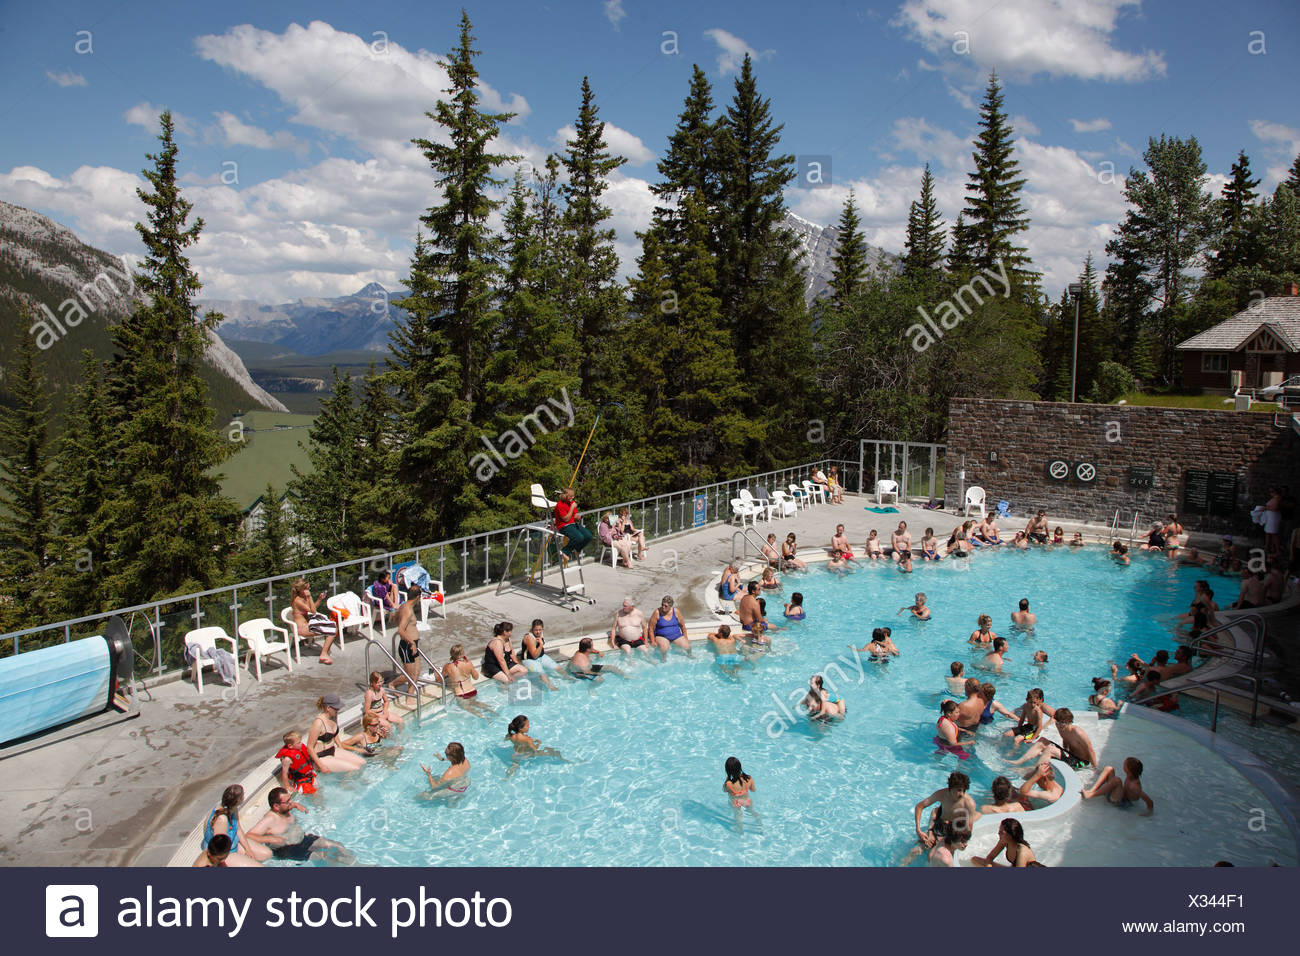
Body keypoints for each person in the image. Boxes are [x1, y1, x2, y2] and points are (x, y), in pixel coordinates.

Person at [245, 787, 354, 864]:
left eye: (290, 799)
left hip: (303, 839)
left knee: (337, 845)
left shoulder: (284, 808)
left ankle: (355, 861)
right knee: (323, 858)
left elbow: (290, 805)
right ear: (276, 806)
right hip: (289, 850)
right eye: (287, 802)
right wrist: (270, 838)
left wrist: (297, 805)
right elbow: (249, 836)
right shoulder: (269, 820)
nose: (290, 803)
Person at [201, 783, 268, 863]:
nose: (244, 796)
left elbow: (238, 829)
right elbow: (218, 849)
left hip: (231, 846)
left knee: (265, 855)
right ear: (238, 800)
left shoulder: (233, 809)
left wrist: (248, 849)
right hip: (221, 854)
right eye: (243, 795)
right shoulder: (222, 820)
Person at [913, 771, 980, 849]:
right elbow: (919, 806)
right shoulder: (942, 794)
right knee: (919, 848)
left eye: (964, 790)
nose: (962, 794)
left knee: (937, 852)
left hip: (956, 831)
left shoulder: (969, 803)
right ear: (950, 788)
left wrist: (961, 842)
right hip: (941, 825)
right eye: (959, 790)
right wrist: (918, 829)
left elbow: (969, 828)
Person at [1014, 708, 1097, 771]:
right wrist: (1062, 753)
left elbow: (1090, 750)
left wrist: (1095, 769)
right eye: (1058, 722)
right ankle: (1019, 762)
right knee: (1042, 740)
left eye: (1063, 723)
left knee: (1050, 749)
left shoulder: (1078, 732)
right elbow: (1065, 742)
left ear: (1069, 721)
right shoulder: (1061, 727)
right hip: (1071, 756)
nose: (1060, 725)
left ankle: (1034, 770)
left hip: (1080, 762)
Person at [307, 694, 366, 772]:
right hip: (321, 756)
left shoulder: (333, 717)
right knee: (355, 768)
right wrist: (321, 766)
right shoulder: (318, 723)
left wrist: (341, 748)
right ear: (328, 708)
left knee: (362, 762)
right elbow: (309, 747)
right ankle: (344, 784)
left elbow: (335, 736)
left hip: (332, 750)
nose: (338, 710)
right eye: (336, 708)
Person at [389, 585, 427, 700]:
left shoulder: (404, 606)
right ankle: (392, 684)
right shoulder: (408, 610)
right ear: (418, 597)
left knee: (417, 671)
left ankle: (410, 694)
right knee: (410, 675)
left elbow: (395, 617)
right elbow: (400, 630)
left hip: (413, 644)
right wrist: (412, 643)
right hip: (407, 646)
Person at [290, 577, 338, 665]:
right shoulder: (297, 601)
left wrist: (319, 599)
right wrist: (309, 596)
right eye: (307, 589)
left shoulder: (303, 597)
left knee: (333, 626)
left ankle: (325, 652)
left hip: (308, 624)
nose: (309, 590)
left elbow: (312, 608)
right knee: (332, 629)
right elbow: (313, 611)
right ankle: (324, 653)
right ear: (301, 590)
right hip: (301, 629)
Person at [1083, 756, 1154, 814]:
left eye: (1124, 764)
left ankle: (1091, 795)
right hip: (1120, 795)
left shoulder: (1134, 786)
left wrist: (1148, 814)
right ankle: (1092, 790)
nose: (1123, 764)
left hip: (1122, 803)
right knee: (1109, 769)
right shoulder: (1131, 776)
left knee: (1117, 780)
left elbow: (1149, 801)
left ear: (1128, 770)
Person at [505, 714, 569, 776]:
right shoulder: (527, 739)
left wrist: (529, 741)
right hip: (527, 754)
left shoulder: (511, 735)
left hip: (516, 755)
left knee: (514, 766)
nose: (529, 726)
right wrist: (538, 743)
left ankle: (508, 777)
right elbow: (535, 750)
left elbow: (509, 739)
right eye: (527, 725)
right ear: (521, 728)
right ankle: (565, 761)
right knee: (555, 752)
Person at [445, 644, 494, 717]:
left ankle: (483, 717)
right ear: (462, 654)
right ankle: (492, 711)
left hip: (460, 694)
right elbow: (476, 677)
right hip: (472, 691)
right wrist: (469, 666)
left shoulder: (447, 666)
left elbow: (439, 679)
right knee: (476, 703)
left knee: (468, 708)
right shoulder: (468, 664)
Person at [971, 818, 1036, 867]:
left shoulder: (1022, 852)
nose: (998, 833)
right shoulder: (1004, 841)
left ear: (1011, 834)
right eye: (999, 830)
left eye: (1002, 832)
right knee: (975, 860)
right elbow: (990, 857)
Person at [553, 487, 593, 565]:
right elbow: (566, 519)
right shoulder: (560, 505)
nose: (572, 497)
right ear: (565, 496)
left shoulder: (571, 503)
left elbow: (573, 516)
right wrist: (572, 508)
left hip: (573, 524)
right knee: (579, 537)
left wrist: (578, 516)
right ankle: (564, 551)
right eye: (571, 496)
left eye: (573, 496)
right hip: (564, 526)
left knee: (588, 536)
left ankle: (576, 549)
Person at [482, 621, 528, 685]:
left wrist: (517, 664)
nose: (511, 633)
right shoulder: (497, 642)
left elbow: (512, 653)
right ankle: (503, 688)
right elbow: (501, 660)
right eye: (510, 631)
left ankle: (511, 681)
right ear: (504, 632)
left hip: (505, 663)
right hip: (493, 667)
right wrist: (508, 675)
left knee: (524, 670)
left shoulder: (508, 639)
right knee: (507, 680)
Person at [520, 618, 561, 690]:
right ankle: (550, 687)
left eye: (540, 629)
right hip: (529, 659)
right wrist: (541, 644)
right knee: (541, 673)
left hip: (541, 657)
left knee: (557, 667)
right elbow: (534, 656)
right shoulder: (529, 637)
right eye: (536, 630)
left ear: (542, 629)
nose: (538, 632)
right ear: (532, 629)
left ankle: (568, 678)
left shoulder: (541, 633)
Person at [724, 756, 760, 832]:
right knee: (752, 812)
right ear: (740, 767)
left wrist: (727, 778)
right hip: (747, 800)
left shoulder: (728, 784)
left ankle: (740, 831)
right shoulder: (749, 778)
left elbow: (724, 790)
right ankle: (760, 824)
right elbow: (753, 790)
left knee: (738, 816)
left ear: (728, 770)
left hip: (735, 802)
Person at [192, 832, 261, 867]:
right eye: (220, 859)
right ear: (209, 854)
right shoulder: (203, 865)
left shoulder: (212, 852)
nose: (223, 860)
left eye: (225, 857)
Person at [1262, 485, 1283, 558]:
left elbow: (1275, 508)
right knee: (1268, 533)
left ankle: (1277, 550)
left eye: (1272, 491)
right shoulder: (1275, 498)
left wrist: (1265, 508)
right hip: (1270, 517)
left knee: (1274, 534)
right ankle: (1267, 548)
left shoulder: (1277, 499)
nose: (1270, 493)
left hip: (1273, 518)